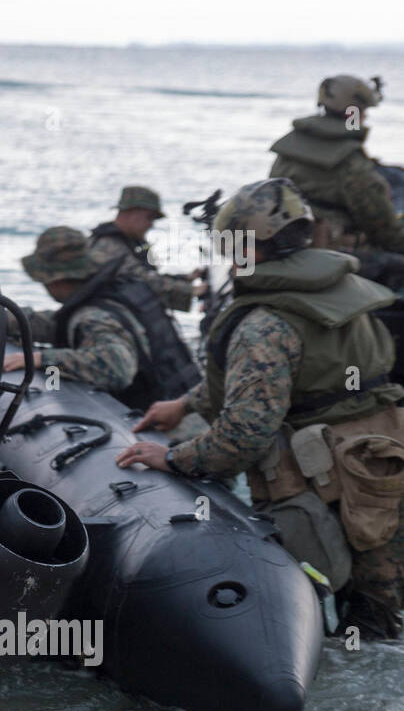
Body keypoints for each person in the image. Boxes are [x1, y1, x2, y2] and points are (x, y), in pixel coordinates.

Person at [118, 178, 404, 638]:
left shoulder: (264, 324)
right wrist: (186, 403)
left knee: (349, 629)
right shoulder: (343, 289)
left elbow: (243, 437)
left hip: (334, 496)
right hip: (382, 476)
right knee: (380, 629)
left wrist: (173, 458)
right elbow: (312, 379)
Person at [4, 226, 200, 411]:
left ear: (58, 279)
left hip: (166, 422)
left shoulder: (93, 315)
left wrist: (42, 359)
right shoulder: (116, 289)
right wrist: (9, 319)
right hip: (184, 400)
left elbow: (117, 368)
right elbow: (59, 325)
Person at [270, 75, 404, 260]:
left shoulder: (289, 147)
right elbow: (384, 230)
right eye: (364, 111)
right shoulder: (350, 162)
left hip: (290, 248)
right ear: (354, 113)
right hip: (334, 258)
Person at [88, 185, 205, 312]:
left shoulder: (129, 243)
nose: (151, 225)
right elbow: (140, 280)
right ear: (132, 212)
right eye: (149, 217)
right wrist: (191, 290)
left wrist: (185, 279)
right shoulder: (108, 245)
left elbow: (148, 276)